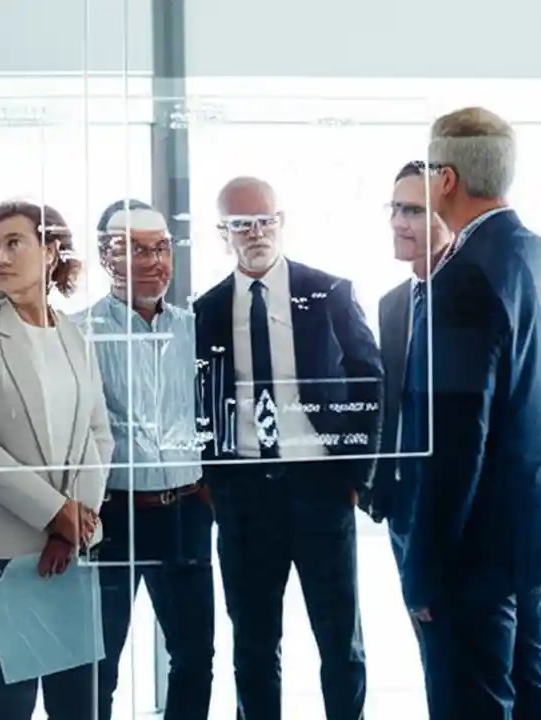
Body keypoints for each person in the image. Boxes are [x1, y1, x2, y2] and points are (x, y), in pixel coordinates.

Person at [400, 107, 541, 720]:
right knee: (533, 688)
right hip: (532, 528)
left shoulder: (463, 277)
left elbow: (456, 440)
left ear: (446, 180)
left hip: (475, 549)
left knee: (473, 703)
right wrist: (534, 497)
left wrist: (424, 566)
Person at [194, 176, 383, 720]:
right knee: (253, 645)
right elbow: (192, 399)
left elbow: (371, 379)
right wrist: (212, 481)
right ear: (222, 232)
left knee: (339, 641)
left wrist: (356, 477)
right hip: (244, 496)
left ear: (282, 221)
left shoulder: (330, 292)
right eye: (241, 224)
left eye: (264, 220)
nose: (255, 233)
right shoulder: (204, 310)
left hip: (321, 489)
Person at [0, 200, 114, 720]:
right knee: (0, 708)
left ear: (52, 249)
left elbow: (98, 436)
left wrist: (70, 523)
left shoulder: (75, 335)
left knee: (76, 707)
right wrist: (53, 512)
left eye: (14, 243)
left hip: (66, 555)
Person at [75, 199, 214, 720]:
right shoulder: (79, 331)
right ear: (105, 256)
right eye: (134, 250)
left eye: (161, 248)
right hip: (112, 516)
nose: (154, 262)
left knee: (196, 657)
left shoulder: (195, 329)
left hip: (185, 511)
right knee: (99, 665)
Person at [370, 161, 454, 651]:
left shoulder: (472, 298)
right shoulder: (394, 303)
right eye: (396, 209)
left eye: (415, 211)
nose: (399, 222)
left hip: (463, 512)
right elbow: (390, 404)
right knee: (435, 657)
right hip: (405, 507)